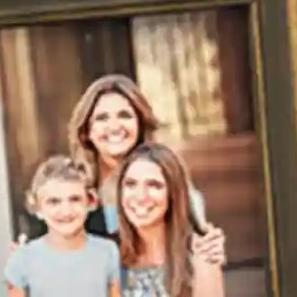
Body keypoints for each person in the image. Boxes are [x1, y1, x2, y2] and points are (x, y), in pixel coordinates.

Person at [23, 74, 224, 268]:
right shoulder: (68, 187)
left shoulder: (166, 176)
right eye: (102, 118)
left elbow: (196, 241)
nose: (114, 126)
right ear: (86, 132)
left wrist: (210, 247)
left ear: (140, 124)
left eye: (124, 115)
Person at [118, 143, 226, 297]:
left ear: (173, 193)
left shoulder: (201, 252)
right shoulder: (107, 255)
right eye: (130, 184)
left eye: (154, 185)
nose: (140, 196)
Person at [5, 156, 121, 297]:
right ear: (36, 207)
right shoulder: (22, 259)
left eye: (75, 199)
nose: (66, 211)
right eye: (54, 201)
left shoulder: (108, 252)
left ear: (91, 201)